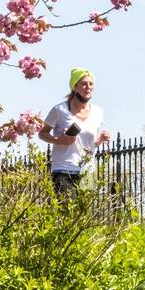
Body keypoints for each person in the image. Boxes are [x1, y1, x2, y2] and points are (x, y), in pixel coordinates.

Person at [38, 68, 111, 201]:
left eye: (91, 84)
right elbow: (42, 133)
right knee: (67, 211)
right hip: (63, 169)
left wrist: (100, 139)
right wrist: (60, 140)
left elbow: (89, 144)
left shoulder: (98, 112)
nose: (88, 87)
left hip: (87, 170)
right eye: (84, 84)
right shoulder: (60, 110)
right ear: (74, 87)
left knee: (82, 215)